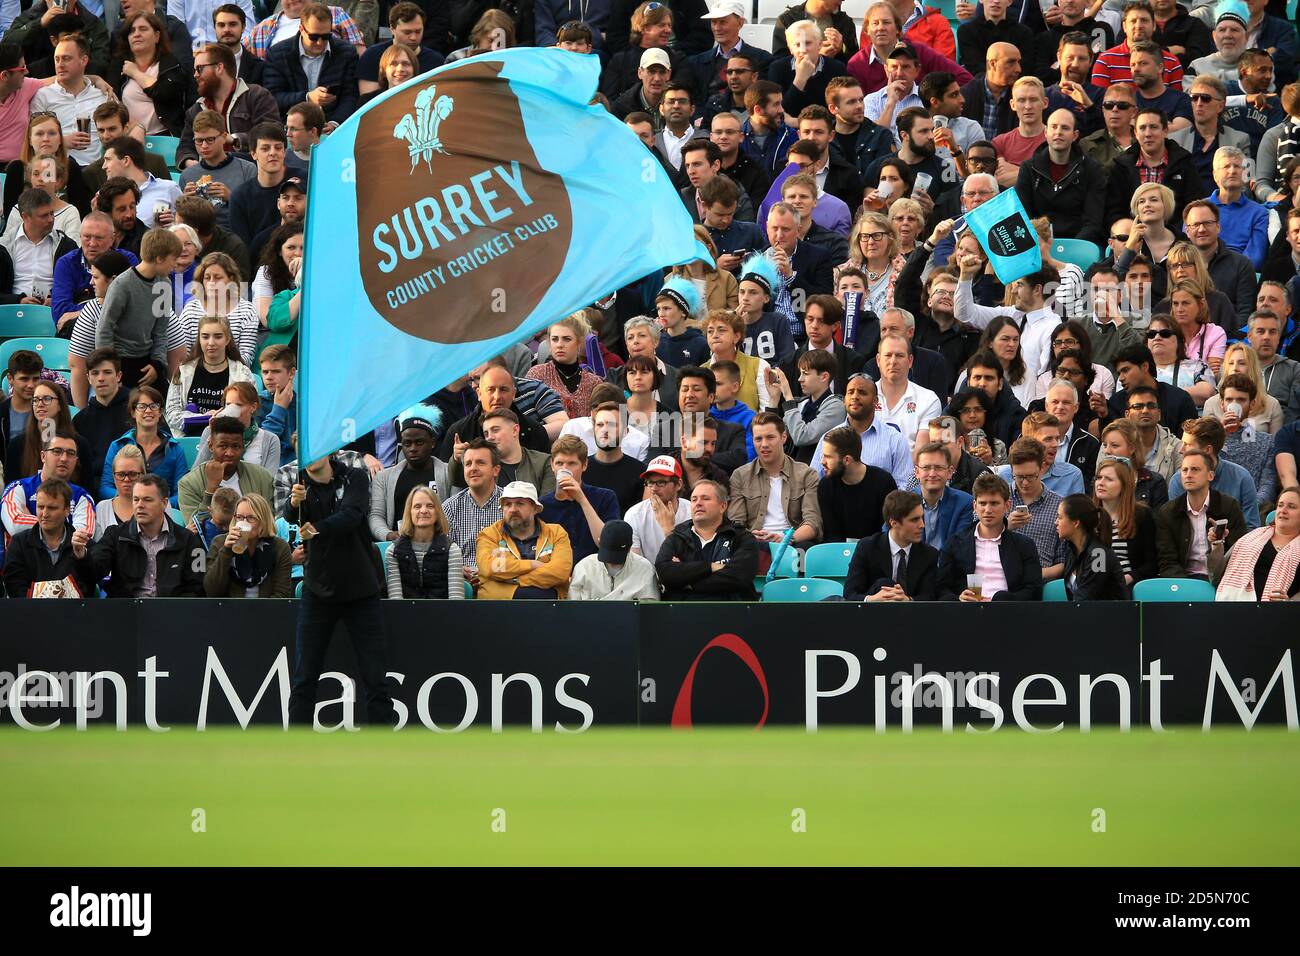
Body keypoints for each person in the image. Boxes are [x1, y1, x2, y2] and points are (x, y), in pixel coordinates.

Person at [285, 452, 397, 726]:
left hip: (360, 589)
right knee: (305, 675)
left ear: (329, 450)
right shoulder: (299, 485)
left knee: (375, 676)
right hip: (318, 588)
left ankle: (385, 746)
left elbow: (351, 516)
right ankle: (295, 747)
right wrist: (293, 504)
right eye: (304, 451)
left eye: (315, 448)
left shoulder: (354, 476)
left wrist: (316, 529)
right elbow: (292, 519)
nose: (310, 456)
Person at [90, 472, 205, 597]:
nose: (140, 505)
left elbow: (197, 587)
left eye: (147, 500)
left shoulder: (190, 541)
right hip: (126, 612)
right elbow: (93, 572)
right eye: (136, 499)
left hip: (171, 612)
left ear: (164, 503)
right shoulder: (115, 535)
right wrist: (82, 556)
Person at [94, 226, 179, 388]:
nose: (175, 264)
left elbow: (160, 330)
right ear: (160, 258)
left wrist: (157, 364)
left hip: (148, 361)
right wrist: (110, 368)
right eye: (173, 259)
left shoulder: (165, 284)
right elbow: (104, 329)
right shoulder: (122, 284)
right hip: (121, 361)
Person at [726, 411, 822, 554]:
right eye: (758, 439)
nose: (764, 444)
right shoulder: (740, 475)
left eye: (770, 437)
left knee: (805, 548)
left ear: (784, 437)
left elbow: (813, 523)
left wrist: (785, 538)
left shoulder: (806, 474)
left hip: (793, 542)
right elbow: (737, 524)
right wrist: (752, 537)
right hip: (754, 544)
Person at [936, 472, 1043, 600]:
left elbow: (1033, 590)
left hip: (1009, 613)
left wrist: (1004, 600)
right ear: (975, 506)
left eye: (994, 503)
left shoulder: (1024, 545)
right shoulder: (955, 543)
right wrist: (959, 599)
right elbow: (942, 588)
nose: (988, 510)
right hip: (966, 613)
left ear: (1007, 506)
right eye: (982, 503)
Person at [177, 44, 280, 171]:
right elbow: (185, 147)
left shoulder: (256, 96)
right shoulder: (196, 109)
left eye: (199, 69)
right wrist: (190, 163)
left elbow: (273, 134)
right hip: (210, 176)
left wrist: (235, 140)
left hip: (250, 174)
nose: (195, 75)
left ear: (219, 68)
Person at [655, 478, 758, 600]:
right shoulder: (676, 537)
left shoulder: (741, 537)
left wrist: (687, 581)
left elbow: (739, 577)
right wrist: (710, 567)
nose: (698, 503)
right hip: (683, 613)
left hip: (732, 613)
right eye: (694, 499)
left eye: (705, 498)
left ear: (723, 506)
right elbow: (665, 574)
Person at [1155, 448, 1246, 578]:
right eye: (1184, 470)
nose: (1188, 475)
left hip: (1222, 581)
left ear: (1210, 475)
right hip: (1183, 582)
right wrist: (1188, 588)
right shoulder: (1168, 512)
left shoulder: (1228, 506)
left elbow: (1239, 553)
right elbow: (1167, 561)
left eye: (1195, 469)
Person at [262, 2, 360, 123]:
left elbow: (350, 96)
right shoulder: (278, 54)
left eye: (326, 37)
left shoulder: (346, 52)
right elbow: (272, 98)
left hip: (332, 126)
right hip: (290, 126)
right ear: (301, 29)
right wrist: (307, 97)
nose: (319, 42)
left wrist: (335, 123)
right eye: (314, 37)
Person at [476, 480, 574, 600]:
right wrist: (532, 564)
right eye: (507, 504)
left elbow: (559, 572)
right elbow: (490, 567)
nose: (513, 509)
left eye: (520, 503)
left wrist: (514, 579)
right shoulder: (490, 535)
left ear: (535, 508)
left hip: (549, 608)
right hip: (500, 609)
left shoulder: (556, 533)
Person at [811, 373, 914, 485]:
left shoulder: (895, 440)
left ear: (875, 401)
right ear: (844, 400)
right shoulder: (828, 439)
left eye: (862, 392)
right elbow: (814, 482)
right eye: (850, 392)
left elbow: (905, 487)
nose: (855, 396)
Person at [2, 477, 96, 598]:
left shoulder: (84, 546)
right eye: (40, 507)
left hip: (73, 615)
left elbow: (89, 587)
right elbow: (15, 588)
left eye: (52, 508)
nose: (44, 514)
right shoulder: (19, 543)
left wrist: (82, 558)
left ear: (67, 510)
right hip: (30, 614)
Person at [165, 314, 255, 436]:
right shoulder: (183, 371)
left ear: (227, 339)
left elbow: (246, 411)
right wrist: (204, 417)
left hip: (228, 438)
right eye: (205, 337)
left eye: (218, 337)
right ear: (199, 339)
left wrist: (218, 417)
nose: (211, 342)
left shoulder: (242, 373)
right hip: (187, 439)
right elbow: (171, 415)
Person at [842, 488, 939, 601]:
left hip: (911, 616)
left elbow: (930, 597)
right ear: (894, 523)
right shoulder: (867, 547)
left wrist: (908, 600)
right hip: (872, 614)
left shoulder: (929, 554)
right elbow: (850, 593)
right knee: (884, 583)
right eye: (914, 520)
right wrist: (872, 599)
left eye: (922, 518)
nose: (922, 525)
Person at [98, 384, 188, 503]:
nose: (148, 410)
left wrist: (156, 504)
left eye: (154, 406)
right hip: (123, 511)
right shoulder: (118, 446)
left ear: (160, 412)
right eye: (142, 406)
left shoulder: (175, 449)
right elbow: (105, 488)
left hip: (163, 513)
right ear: (133, 412)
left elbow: (181, 494)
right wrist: (131, 500)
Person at [1168, 415, 1262, 528]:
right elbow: (1177, 528)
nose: (1180, 450)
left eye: (1187, 445)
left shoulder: (1241, 478)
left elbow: (1251, 527)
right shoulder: (1178, 480)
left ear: (1207, 450)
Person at [177, 414, 274, 524]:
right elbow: (196, 531)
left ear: (243, 447)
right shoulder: (188, 483)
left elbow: (269, 522)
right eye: (223, 446)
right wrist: (210, 489)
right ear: (210, 446)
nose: (230, 453)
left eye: (236, 446)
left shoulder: (262, 477)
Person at [367, 416, 451, 542]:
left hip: (440, 545)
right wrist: (389, 535)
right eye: (407, 443)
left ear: (433, 442)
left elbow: (457, 512)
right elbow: (376, 516)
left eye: (419, 442)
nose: (413, 448)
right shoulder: (383, 477)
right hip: (398, 548)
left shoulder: (448, 472)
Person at [29, 35, 109, 168]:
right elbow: (32, 137)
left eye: (66, 58)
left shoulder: (102, 95)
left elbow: (122, 126)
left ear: (83, 60)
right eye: (57, 59)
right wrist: (61, 142)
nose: (60, 64)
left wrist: (138, 128)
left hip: (94, 168)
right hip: (54, 168)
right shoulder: (43, 96)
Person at [108, 10, 187, 138]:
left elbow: (165, 93)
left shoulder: (170, 64)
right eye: (132, 31)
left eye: (143, 29)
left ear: (157, 36)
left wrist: (135, 73)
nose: (137, 34)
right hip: (129, 139)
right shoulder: (119, 65)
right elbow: (112, 103)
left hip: (166, 138)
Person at [1215, 485, 1300, 600]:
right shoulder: (1251, 539)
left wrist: (1290, 604)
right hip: (1237, 610)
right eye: (1280, 505)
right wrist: (1216, 545)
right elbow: (1215, 575)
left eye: (1291, 507)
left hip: (1282, 615)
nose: (1283, 511)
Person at [202, 491, 293, 597]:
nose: (243, 523)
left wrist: (260, 611)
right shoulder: (220, 543)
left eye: (250, 518)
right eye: (239, 517)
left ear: (263, 520)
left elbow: (282, 594)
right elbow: (211, 591)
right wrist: (226, 551)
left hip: (267, 611)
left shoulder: (280, 547)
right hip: (229, 610)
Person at [381, 484, 463, 600]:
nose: (423, 511)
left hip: (443, 615)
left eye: (430, 506)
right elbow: (396, 601)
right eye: (417, 506)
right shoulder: (393, 551)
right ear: (409, 512)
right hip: (406, 615)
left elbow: (456, 602)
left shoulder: (452, 551)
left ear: (437, 511)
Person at [3, 379, 91, 487]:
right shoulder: (17, 445)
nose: (40, 404)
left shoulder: (79, 444)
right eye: (35, 400)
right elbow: (11, 488)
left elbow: (88, 490)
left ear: (60, 405)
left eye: (47, 399)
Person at [442, 438, 502, 590]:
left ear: (496, 470)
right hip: (460, 584)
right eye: (468, 464)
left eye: (480, 463)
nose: (473, 468)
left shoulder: (511, 504)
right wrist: (458, 571)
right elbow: (440, 554)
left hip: (502, 580)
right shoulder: (449, 507)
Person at [1093, 454, 1160, 584]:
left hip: (1129, 585)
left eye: (1109, 479)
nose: (1101, 483)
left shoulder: (1141, 515)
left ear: (1124, 485)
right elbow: (1094, 561)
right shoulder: (1091, 517)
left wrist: (1129, 577)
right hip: (1097, 586)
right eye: (1098, 478)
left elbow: (1152, 563)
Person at [1109, 344, 1200, 433]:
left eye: (1125, 370)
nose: (1121, 378)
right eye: (1119, 373)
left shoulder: (1180, 399)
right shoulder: (1116, 402)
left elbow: (1191, 440)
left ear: (1145, 366)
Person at [72, 347, 131, 483]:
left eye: (107, 372)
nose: (101, 378)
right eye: (95, 373)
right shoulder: (80, 420)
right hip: (94, 486)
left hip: (132, 482)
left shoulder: (138, 408)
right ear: (88, 377)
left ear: (118, 376)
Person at [357, 3, 443, 96]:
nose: (413, 37)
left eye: (418, 31)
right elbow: (368, 102)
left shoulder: (436, 61)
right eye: (407, 32)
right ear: (392, 29)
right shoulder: (372, 56)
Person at [568, 518, 660, 601]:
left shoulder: (644, 569)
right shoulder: (584, 567)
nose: (612, 562)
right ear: (599, 542)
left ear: (630, 546)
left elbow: (650, 608)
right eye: (608, 554)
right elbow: (573, 607)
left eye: (618, 556)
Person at [1056, 493, 1128, 599]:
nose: (1056, 522)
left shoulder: (1099, 554)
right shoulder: (1072, 551)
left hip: (1110, 614)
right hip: (1085, 613)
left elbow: (1088, 596)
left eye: (1060, 517)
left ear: (1076, 523)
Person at [910, 439, 975, 552]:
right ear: (917, 472)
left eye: (938, 468)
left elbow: (960, 545)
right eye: (926, 468)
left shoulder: (964, 503)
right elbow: (891, 540)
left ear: (949, 472)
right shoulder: (904, 503)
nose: (932, 474)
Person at [1203, 347, 1283, 434]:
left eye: (1242, 363)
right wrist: (1221, 430)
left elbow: (1275, 444)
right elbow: (1206, 443)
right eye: (1231, 363)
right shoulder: (1211, 404)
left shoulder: (1272, 404)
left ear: (1252, 368)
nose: (1235, 368)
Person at [1101, 417, 1170, 508]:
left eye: (1114, 445)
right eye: (1105, 445)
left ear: (1132, 448)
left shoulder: (1154, 482)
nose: (1107, 451)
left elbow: (1157, 520)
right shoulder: (1099, 480)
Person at [94, 443, 145, 539]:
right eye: (121, 474)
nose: (126, 479)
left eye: (133, 474)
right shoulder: (102, 508)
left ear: (142, 475)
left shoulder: (157, 504)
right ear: (113, 477)